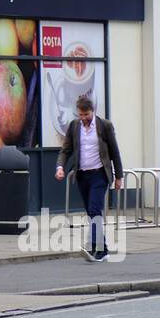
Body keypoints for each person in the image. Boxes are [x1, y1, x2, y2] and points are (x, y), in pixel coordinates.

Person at [54, 96, 122, 261]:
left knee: (94, 209)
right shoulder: (74, 126)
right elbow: (66, 149)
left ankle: (94, 248)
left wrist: (119, 176)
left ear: (93, 111)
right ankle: (103, 249)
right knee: (92, 213)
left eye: (86, 114)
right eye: (81, 115)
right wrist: (60, 167)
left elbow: (114, 151)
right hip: (83, 175)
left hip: (100, 174)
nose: (83, 118)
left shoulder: (104, 126)